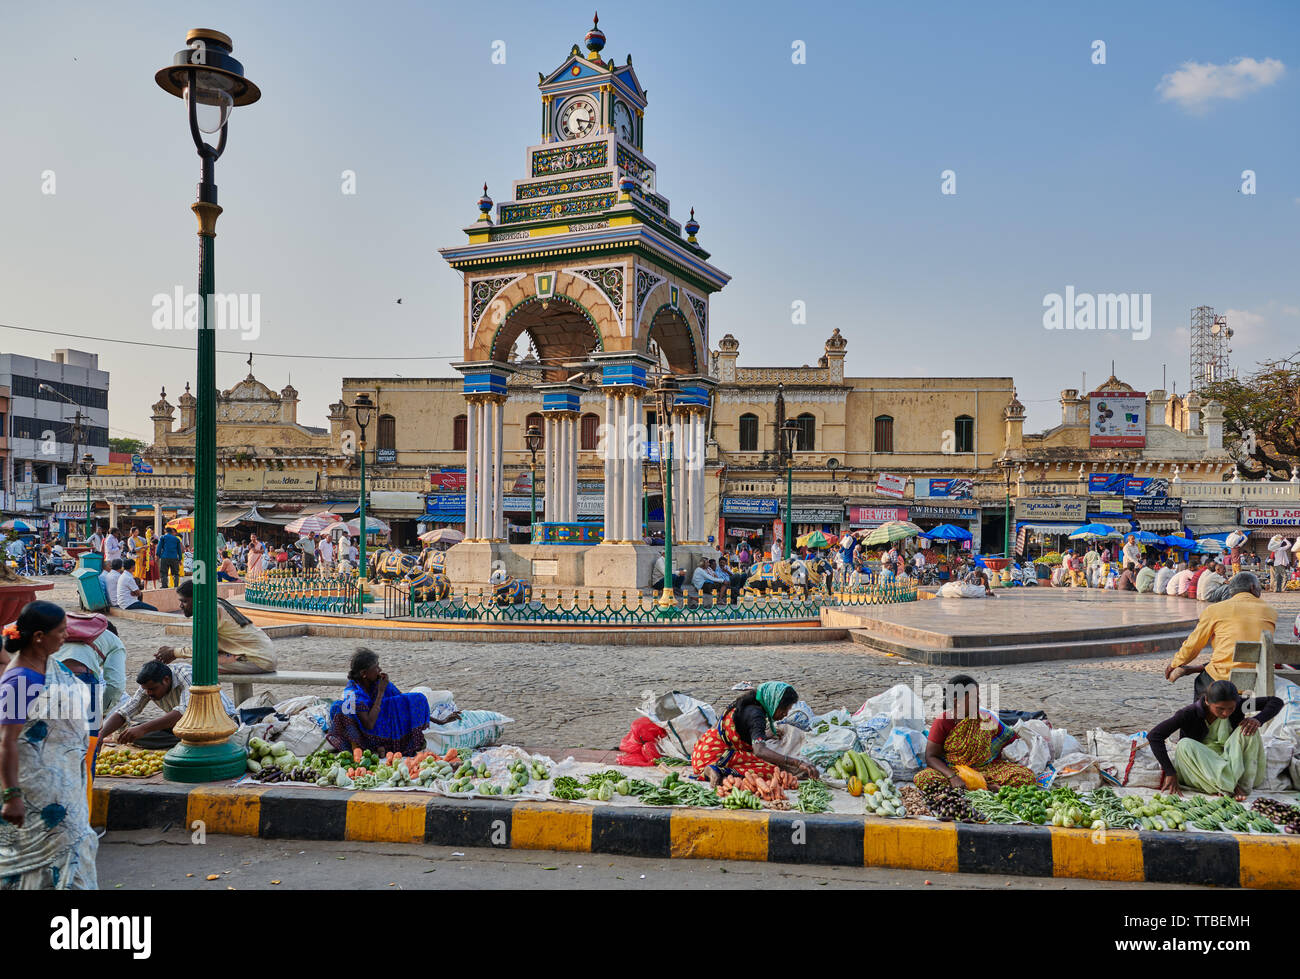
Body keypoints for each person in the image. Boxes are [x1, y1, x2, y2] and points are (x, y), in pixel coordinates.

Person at [0, 601, 98, 890]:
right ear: (39, 636)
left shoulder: (49, 666)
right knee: (52, 858)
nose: (66, 636)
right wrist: (12, 795)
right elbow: (6, 742)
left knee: (74, 850)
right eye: (61, 631)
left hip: (64, 787)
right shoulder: (19, 681)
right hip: (35, 791)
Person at [1148, 679, 1282, 799]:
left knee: (1249, 729)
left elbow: (1275, 702)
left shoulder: (1240, 705)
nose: (1226, 713)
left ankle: (1237, 784)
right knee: (1184, 744)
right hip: (1202, 764)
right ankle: (1229, 786)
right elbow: (1154, 736)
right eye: (1220, 709)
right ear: (1207, 701)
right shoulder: (1189, 714)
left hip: (1229, 758)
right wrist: (1170, 772)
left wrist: (1258, 719)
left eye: (1230, 708)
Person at [1165, 572, 1277, 698]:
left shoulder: (1215, 610)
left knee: (1205, 676)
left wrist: (1175, 663)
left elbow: (1194, 644)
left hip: (1223, 678)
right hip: (1258, 677)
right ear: (1252, 588)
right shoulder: (1271, 612)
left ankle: (1202, 716)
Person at [915, 674, 1035, 792]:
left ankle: (980, 785)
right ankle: (985, 787)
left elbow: (1008, 737)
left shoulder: (984, 717)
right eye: (973, 698)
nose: (978, 701)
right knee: (924, 778)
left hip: (987, 769)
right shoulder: (943, 722)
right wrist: (952, 776)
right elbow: (931, 756)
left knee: (1026, 776)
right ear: (957, 702)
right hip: (955, 770)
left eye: (978, 697)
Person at [325, 648, 453, 755]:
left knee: (417, 698)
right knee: (338, 707)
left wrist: (439, 721)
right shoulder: (353, 693)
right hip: (364, 735)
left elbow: (405, 704)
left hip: (380, 728)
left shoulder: (374, 682)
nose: (380, 670)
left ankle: (383, 748)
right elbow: (369, 724)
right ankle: (369, 749)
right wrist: (381, 692)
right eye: (376, 667)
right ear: (364, 673)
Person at [691, 681, 819, 786]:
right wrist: (797, 763)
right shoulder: (756, 716)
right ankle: (716, 771)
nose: (785, 714)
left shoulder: (748, 703)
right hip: (715, 758)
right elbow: (760, 751)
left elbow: (741, 731)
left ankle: (716, 769)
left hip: (703, 749)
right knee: (772, 771)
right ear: (774, 702)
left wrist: (766, 735)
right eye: (784, 709)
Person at [100, 659, 236, 749]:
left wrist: (144, 729)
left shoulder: (187, 674)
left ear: (166, 680)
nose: (149, 693)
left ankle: (191, 744)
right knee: (132, 735)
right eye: (146, 690)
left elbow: (186, 711)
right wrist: (100, 736)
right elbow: (127, 710)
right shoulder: (149, 685)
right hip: (183, 727)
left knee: (143, 731)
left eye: (152, 689)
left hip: (215, 723)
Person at [155, 578, 275, 674]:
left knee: (197, 668)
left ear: (198, 598)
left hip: (256, 659)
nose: (181, 605)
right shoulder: (215, 603)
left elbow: (202, 649)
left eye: (184, 601)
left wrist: (173, 652)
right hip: (262, 656)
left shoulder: (209, 610)